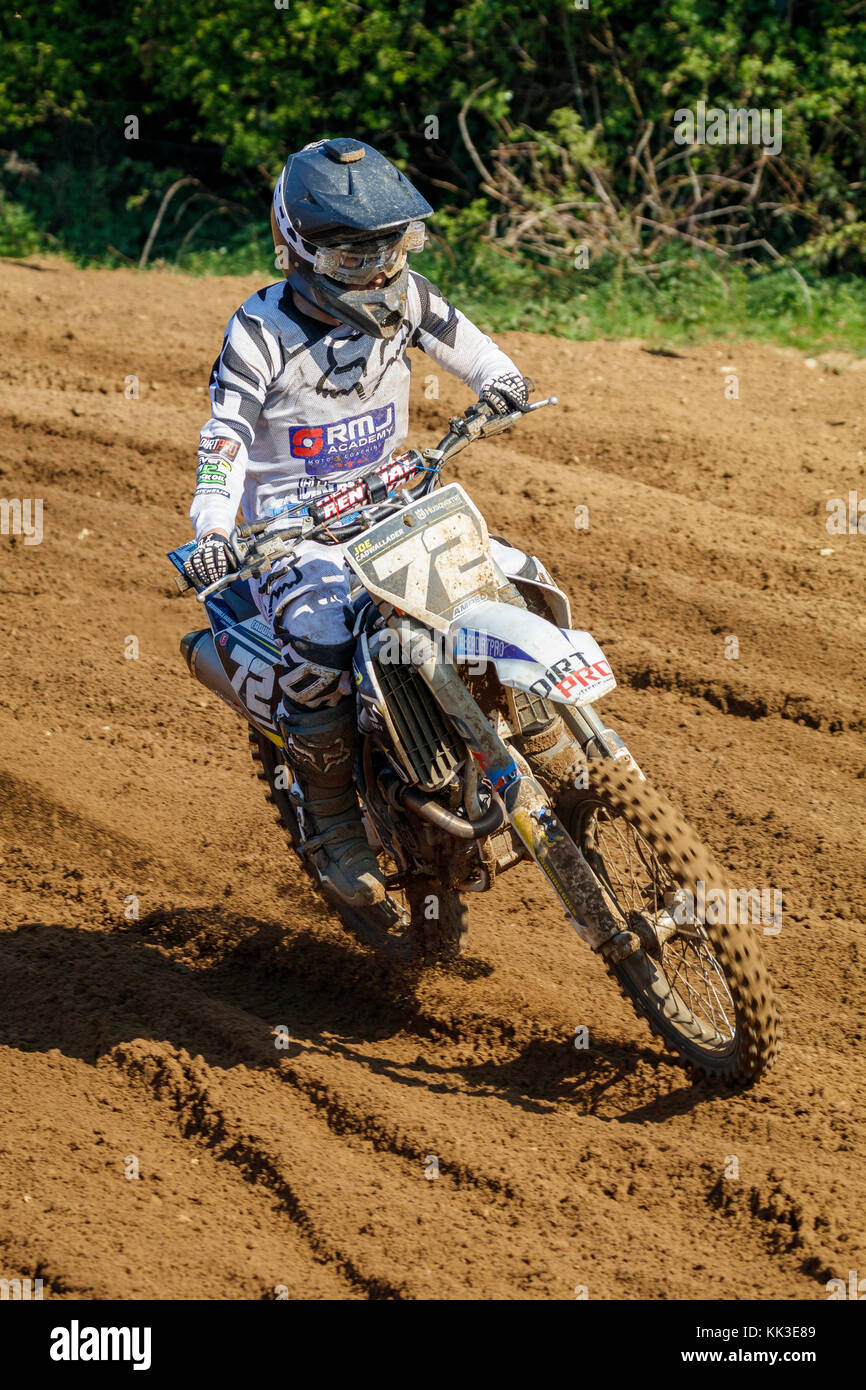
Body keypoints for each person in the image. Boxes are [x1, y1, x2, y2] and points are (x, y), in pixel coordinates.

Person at [184, 136, 530, 908]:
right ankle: (337, 824)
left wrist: (504, 382)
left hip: (393, 498)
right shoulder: (259, 330)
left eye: (392, 245)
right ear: (298, 247)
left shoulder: (409, 297)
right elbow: (223, 437)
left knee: (506, 576)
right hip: (287, 533)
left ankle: (538, 739)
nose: (377, 269)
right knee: (319, 646)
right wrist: (213, 531)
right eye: (352, 256)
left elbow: (472, 351)